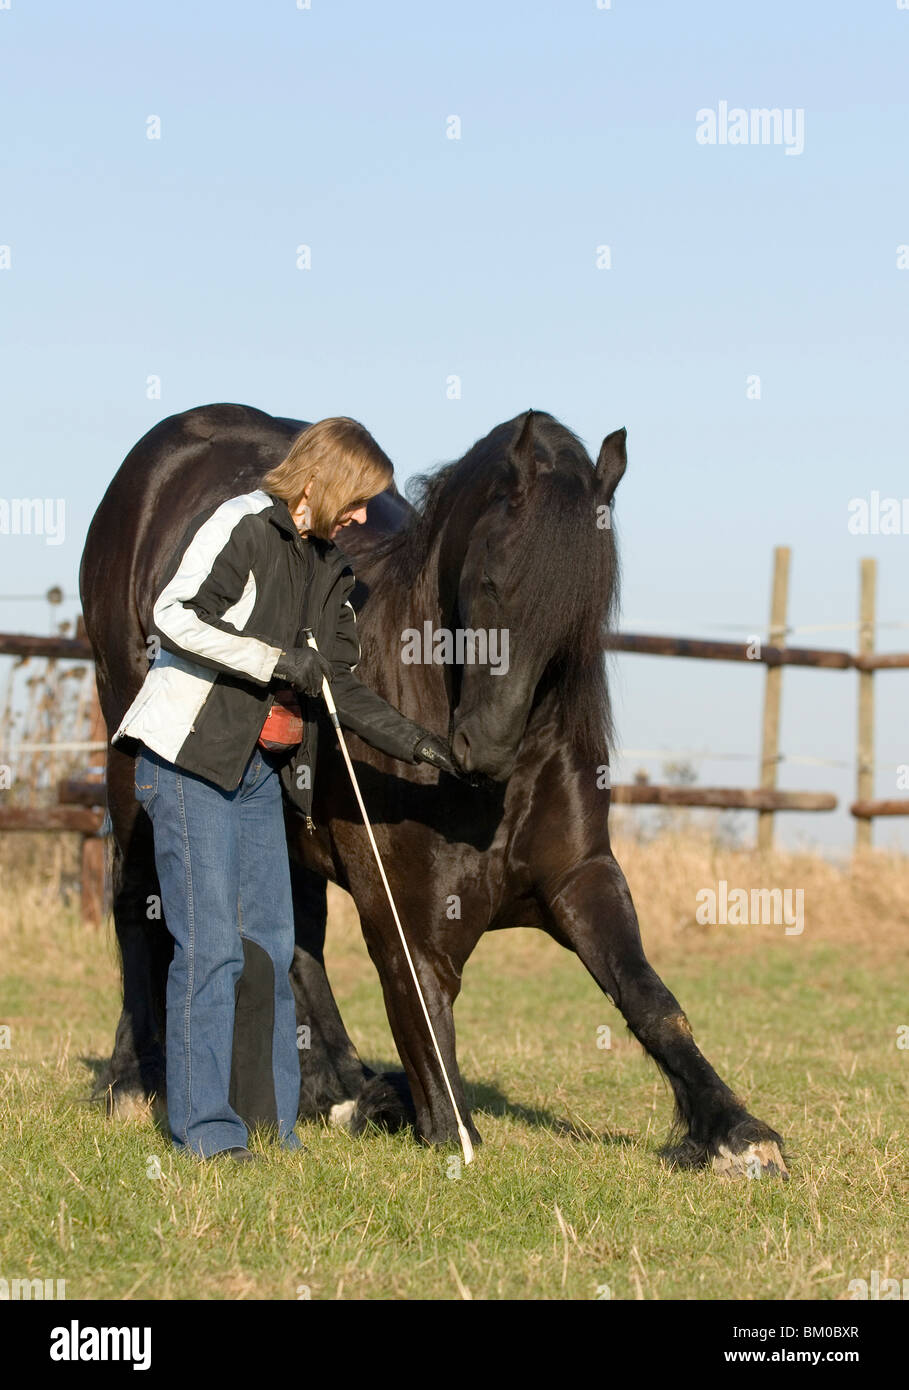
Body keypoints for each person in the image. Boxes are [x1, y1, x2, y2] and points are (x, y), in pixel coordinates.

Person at [112, 417, 458, 1163]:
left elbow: (342, 688)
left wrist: (424, 745)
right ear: (322, 482)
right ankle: (207, 1136)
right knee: (209, 953)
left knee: (268, 948)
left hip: (259, 777)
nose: (365, 515)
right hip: (187, 761)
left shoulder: (330, 569)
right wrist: (273, 662)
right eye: (359, 498)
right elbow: (174, 617)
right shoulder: (239, 524)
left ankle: (272, 1128)